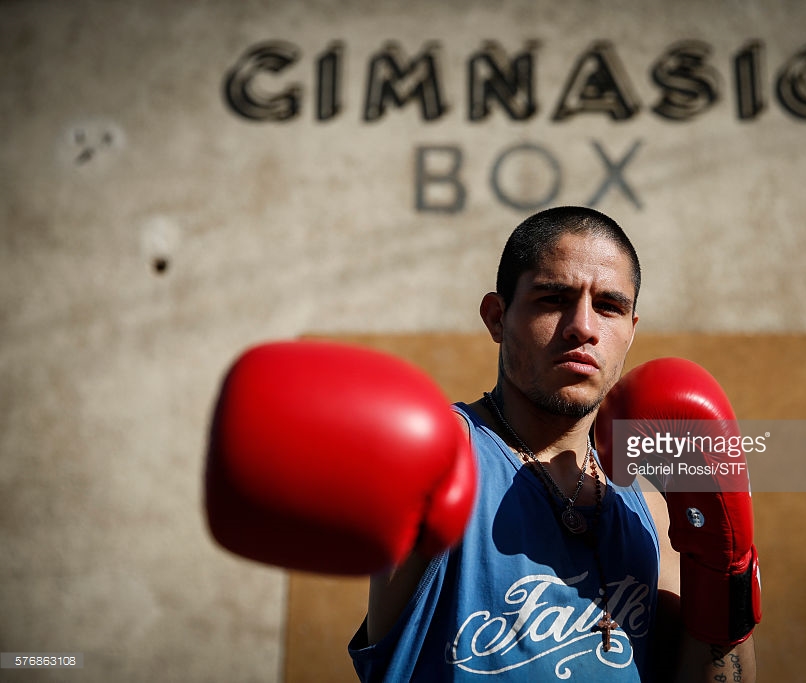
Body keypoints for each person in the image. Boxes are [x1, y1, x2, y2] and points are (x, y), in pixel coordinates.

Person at [205, 206, 759, 682]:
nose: (583, 326)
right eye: (553, 299)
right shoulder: (438, 458)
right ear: (497, 317)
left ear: (631, 329)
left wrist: (728, 563)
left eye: (609, 306)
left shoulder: (655, 506)